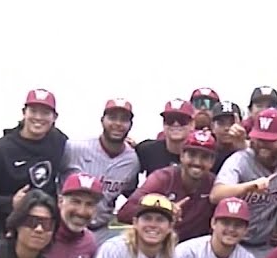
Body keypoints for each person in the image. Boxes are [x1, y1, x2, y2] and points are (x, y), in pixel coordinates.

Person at [0, 89, 68, 238]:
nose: (38, 117)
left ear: (54, 117)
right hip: (3, 231)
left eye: (45, 113)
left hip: (43, 230)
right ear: (24, 112)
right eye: (33, 111)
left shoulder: (59, 142)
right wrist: (11, 202)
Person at [211, 108, 277, 258]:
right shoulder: (240, 160)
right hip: (235, 244)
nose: (262, 145)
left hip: (267, 245)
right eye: (259, 139)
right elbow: (216, 195)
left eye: (269, 140)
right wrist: (249, 187)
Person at [62, 98, 141, 241]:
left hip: (101, 230)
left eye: (123, 120)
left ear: (130, 125)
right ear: (102, 120)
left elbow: (130, 193)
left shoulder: (132, 161)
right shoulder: (74, 148)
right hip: (65, 226)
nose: (118, 123)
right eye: (112, 118)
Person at [119, 129, 217, 242]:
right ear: (182, 156)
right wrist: (162, 209)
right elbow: (124, 213)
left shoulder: (214, 184)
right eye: (192, 155)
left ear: (212, 161)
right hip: (159, 243)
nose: (197, 162)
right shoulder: (162, 179)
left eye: (204, 157)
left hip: (193, 247)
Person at [136, 99, 195, 176]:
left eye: (182, 120)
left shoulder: (201, 155)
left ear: (192, 124)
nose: (176, 124)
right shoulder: (146, 150)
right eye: (170, 119)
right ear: (163, 124)